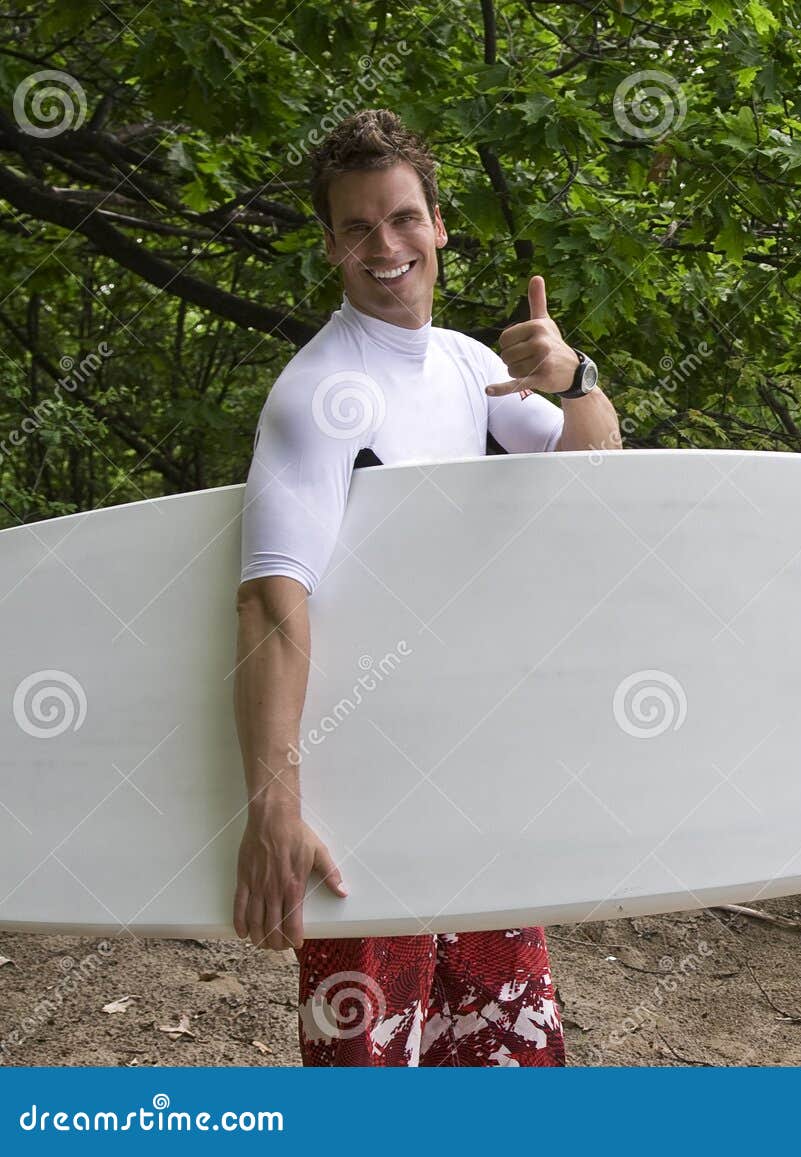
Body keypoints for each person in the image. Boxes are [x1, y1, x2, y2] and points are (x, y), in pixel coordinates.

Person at [231, 108, 620, 1066]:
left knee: (510, 1066)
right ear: (331, 246)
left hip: (472, 781)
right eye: (358, 227)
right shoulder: (318, 392)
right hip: (363, 798)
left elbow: (593, 477)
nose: (386, 246)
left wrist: (575, 378)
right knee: (370, 1090)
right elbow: (272, 601)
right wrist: (274, 804)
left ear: (439, 224)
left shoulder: (470, 365)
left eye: (403, 218)